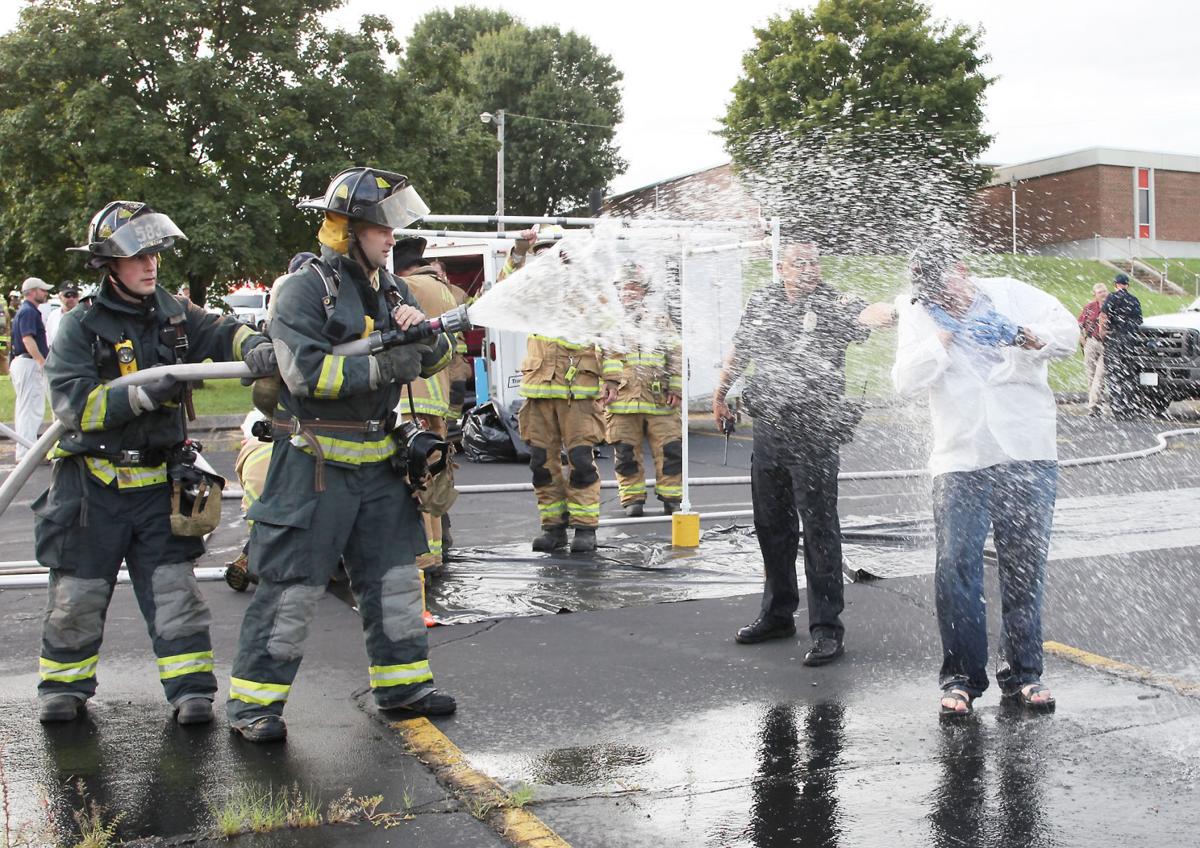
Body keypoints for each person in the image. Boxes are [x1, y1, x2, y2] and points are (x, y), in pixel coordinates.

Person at [226, 167, 456, 744]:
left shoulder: (391, 287)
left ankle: (403, 687)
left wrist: (421, 337)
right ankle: (255, 706)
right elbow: (303, 372)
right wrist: (385, 363)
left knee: (396, 581)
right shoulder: (305, 288)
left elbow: (441, 348)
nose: (392, 238)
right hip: (315, 465)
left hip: (379, 464)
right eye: (382, 227)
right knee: (290, 589)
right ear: (348, 228)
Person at [34, 200, 275, 724]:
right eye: (137, 256)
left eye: (155, 255)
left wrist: (254, 343)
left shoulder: (175, 314)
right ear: (108, 264)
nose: (150, 265)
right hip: (91, 487)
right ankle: (63, 686)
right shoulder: (81, 325)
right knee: (76, 593)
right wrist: (142, 396)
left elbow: (222, 329)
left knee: (174, 593)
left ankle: (190, 690)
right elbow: (74, 407)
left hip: (160, 483)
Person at [892, 246, 1077, 717]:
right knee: (956, 567)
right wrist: (942, 338)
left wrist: (1023, 335)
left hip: (1027, 451)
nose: (942, 299)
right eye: (931, 293)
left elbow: (1069, 334)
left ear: (962, 271)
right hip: (961, 457)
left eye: (946, 287)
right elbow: (904, 381)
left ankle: (1024, 674)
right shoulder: (922, 313)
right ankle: (962, 679)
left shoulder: (1014, 294)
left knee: (1024, 568)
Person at [714, 243, 893, 666]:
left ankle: (827, 628)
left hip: (814, 431)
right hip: (770, 429)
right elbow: (742, 348)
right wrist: (722, 392)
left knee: (818, 530)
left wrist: (898, 308)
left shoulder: (833, 300)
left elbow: (868, 314)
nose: (809, 269)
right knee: (771, 526)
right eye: (800, 263)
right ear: (781, 268)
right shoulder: (763, 299)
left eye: (815, 262)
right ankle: (777, 614)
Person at [503, 226, 606, 553]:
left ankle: (585, 528)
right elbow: (505, 291)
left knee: (581, 460)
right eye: (541, 250)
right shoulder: (532, 290)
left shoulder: (587, 286)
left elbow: (610, 332)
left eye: (553, 249)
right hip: (539, 392)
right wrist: (518, 251)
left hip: (577, 393)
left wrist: (612, 381)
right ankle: (553, 527)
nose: (546, 255)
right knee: (541, 464)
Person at [392, 236, 458, 573]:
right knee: (434, 472)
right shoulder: (443, 288)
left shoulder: (405, 286)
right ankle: (440, 546)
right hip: (435, 395)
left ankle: (425, 558)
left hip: (412, 395)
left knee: (413, 478)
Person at [602, 263, 683, 517]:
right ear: (618, 292)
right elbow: (600, 357)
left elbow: (676, 354)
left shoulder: (660, 321)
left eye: (635, 287)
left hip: (659, 400)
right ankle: (632, 499)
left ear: (644, 291)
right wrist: (606, 386)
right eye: (625, 288)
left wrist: (676, 388)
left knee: (670, 450)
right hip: (622, 401)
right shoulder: (609, 323)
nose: (630, 293)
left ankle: (672, 500)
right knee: (625, 454)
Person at [10, 276, 53, 460]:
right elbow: (28, 338)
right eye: (42, 290)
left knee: (25, 408)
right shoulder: (29, 312)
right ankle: (27, 452)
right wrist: (41, 362)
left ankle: (25, 450)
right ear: (33, 291)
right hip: (28, 362)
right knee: (32, 408)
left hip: (22, 362)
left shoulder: (25, 310)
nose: (45, 293)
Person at [1101, 272, 1143, 419]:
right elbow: (1139, 320)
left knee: (1114, 374)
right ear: (1127, 285)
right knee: (1129, 374)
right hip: (1130, 342)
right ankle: (1129, 407)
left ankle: (1117, 408)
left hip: (1114, 340)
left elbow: (1104, 316)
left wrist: (1104, 333)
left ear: (1115, 284)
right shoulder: (1134, 300)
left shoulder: (1112, 297)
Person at [1077, 282, 1108, 417]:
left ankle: (1093, 405)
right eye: (1100, 292)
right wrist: (1082, 340)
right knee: (1090, 375)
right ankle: (1096, 405)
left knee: (1099, 376)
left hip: (1106, 344)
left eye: (1105, 291)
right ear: (1094, 294)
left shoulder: (1111, 306)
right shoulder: (1089, 307)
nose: (1103, 294)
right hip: (1091, 342)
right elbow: (1078, 325)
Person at [45, 281, 81, 347]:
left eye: (74, 295)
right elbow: (49, 340)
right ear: (60, 297)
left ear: (78, 297)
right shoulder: (53, 316)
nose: (71, 298)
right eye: (68, 295)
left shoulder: (85, 315)